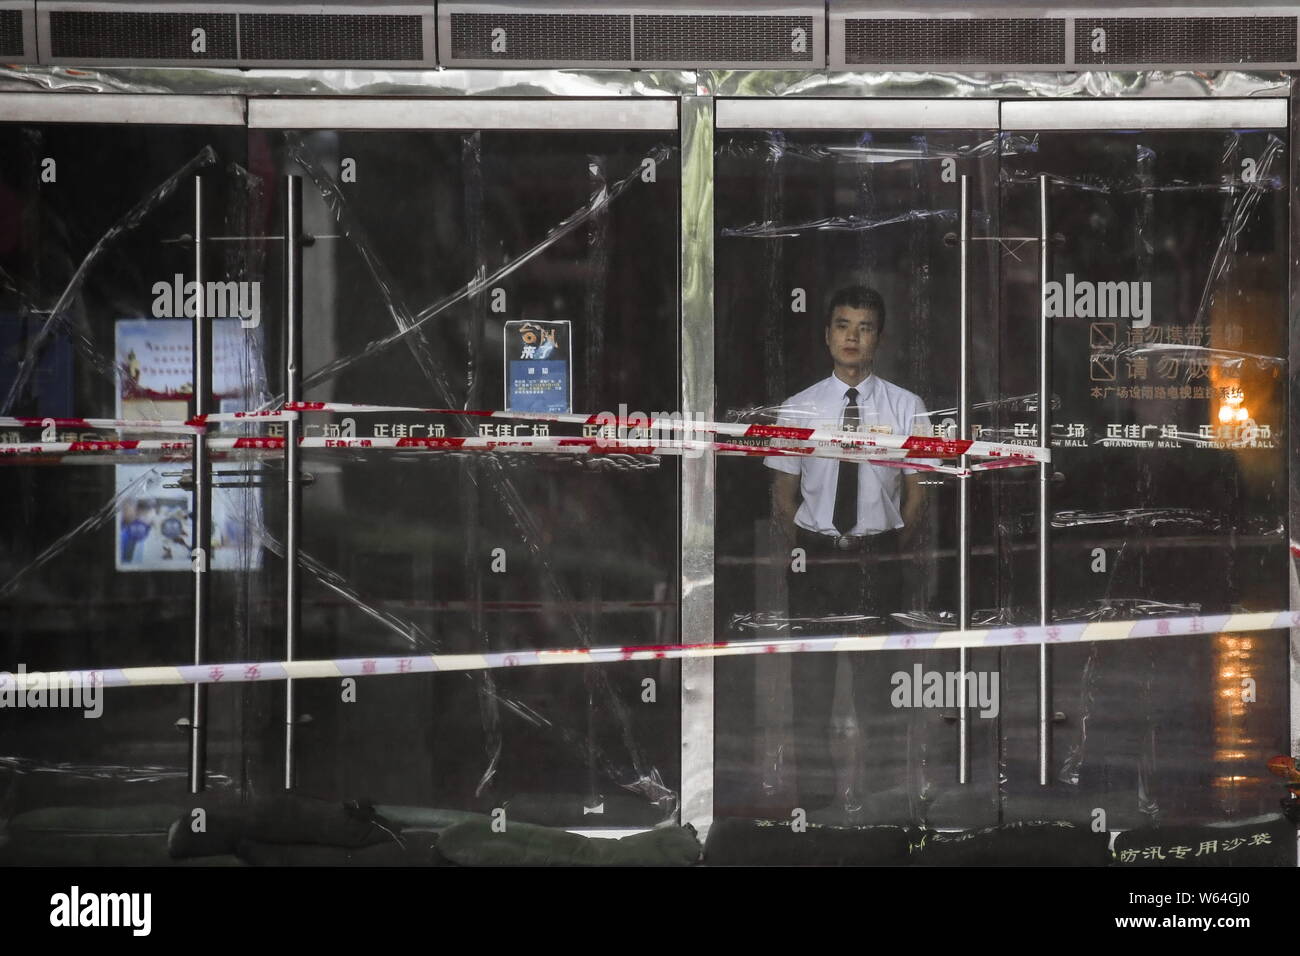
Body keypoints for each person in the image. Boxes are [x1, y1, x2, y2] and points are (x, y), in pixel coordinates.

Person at [764, 284, 934, 810]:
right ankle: (815, 792)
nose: (852, 337)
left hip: (877, 559)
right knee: (811, 681)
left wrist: (882, 543)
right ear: (827, 335)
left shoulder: (908, 407)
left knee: (877, 680)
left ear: (879, 338)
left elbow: (917, 493)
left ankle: (880, 792)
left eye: (863, 327)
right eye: (843, 325)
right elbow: (782, 496)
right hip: (814, 559)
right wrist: (811, 545)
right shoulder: (797, 409)